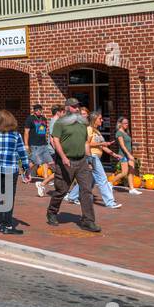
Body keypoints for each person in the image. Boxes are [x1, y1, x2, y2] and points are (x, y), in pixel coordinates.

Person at [47, 98, 100, 232]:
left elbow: (85, 143)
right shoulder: (60, 123)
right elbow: (56, 141)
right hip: (66, 161)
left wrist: (89, 160)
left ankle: (88, 220)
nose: (77, 109)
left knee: (86, 190)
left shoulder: (82, 124)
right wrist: (63, 157)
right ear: (67, 108)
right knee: (62, 190)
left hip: (81, 161)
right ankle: (52, 212)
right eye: (74, 107)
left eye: (78, 106)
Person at [0, 110, 29, 234]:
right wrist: (26, 167)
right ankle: (8, 225)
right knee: (9, 196)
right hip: (10, 169)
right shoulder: (16, 135)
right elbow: (22, 152)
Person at [64, 109, 121, 208]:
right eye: (100, 118)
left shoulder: (97, 131)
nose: (102, 120)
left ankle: (72, 196)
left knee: (89, 180)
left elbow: (102, 146)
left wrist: (113, 154)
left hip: (96, 157)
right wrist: (100, 145)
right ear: (94, 119)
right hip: (92, 157)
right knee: (103, 179)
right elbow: (86, 144)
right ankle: (110, 202)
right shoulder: (89, 129)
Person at [25, 103, 54, 197]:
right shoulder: (30, 119)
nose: (38, 111)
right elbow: (26, 132)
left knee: (46, 161)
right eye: (36, 110)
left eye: (40, 110)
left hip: (43, 143)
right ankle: (27, 171)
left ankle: (45, 178)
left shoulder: (44, 119)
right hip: (34, 144)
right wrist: (26, 144)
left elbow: (45, 131)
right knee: (35, 161)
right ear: (34, 110)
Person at [109, 116, 141, 195]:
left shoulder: (126, 132)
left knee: (131, 171)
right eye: (125, 123)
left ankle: (132, 189)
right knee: (124, 172)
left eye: (127, 123)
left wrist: (130, 154)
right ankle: (109, 183)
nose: (127, 124)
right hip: (124, 155)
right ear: (120, 124)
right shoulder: (119, 133)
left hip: (129, 154)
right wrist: (129, 155)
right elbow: (122, 146)